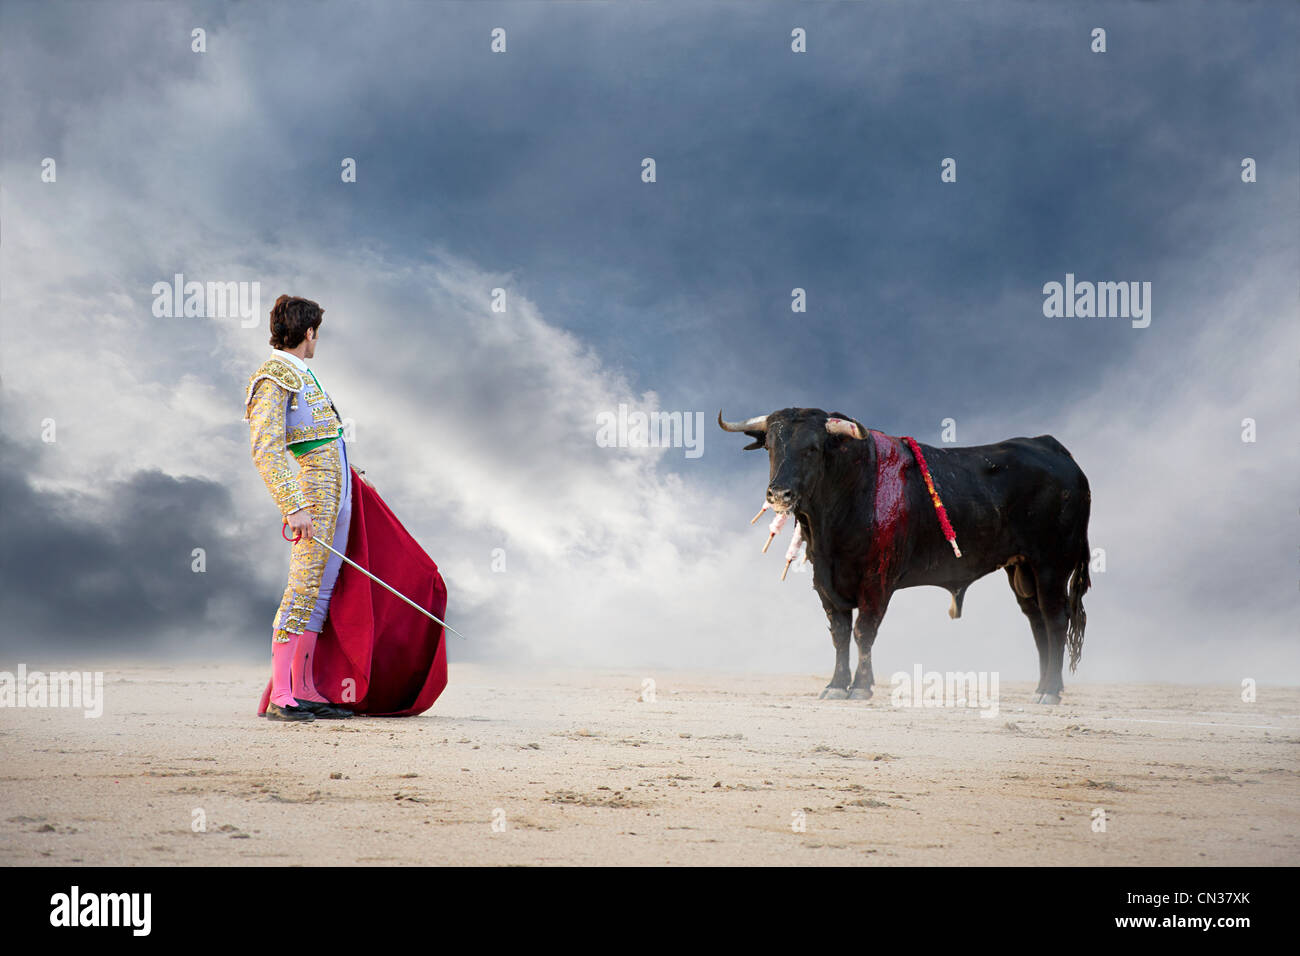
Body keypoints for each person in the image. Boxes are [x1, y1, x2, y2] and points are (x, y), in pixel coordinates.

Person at [244, 294, 356, 721]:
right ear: (308, 332)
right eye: (316, 334)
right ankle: (283, 695)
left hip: (335, 491)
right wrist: (293, 506)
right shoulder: (274, 375)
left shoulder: (300, 372)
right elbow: (266, 449)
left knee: (322, 588)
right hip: (313, 495)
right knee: (304, 586)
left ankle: (304, 688)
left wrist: (351, 474)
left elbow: (327, 440)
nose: (317, 341)